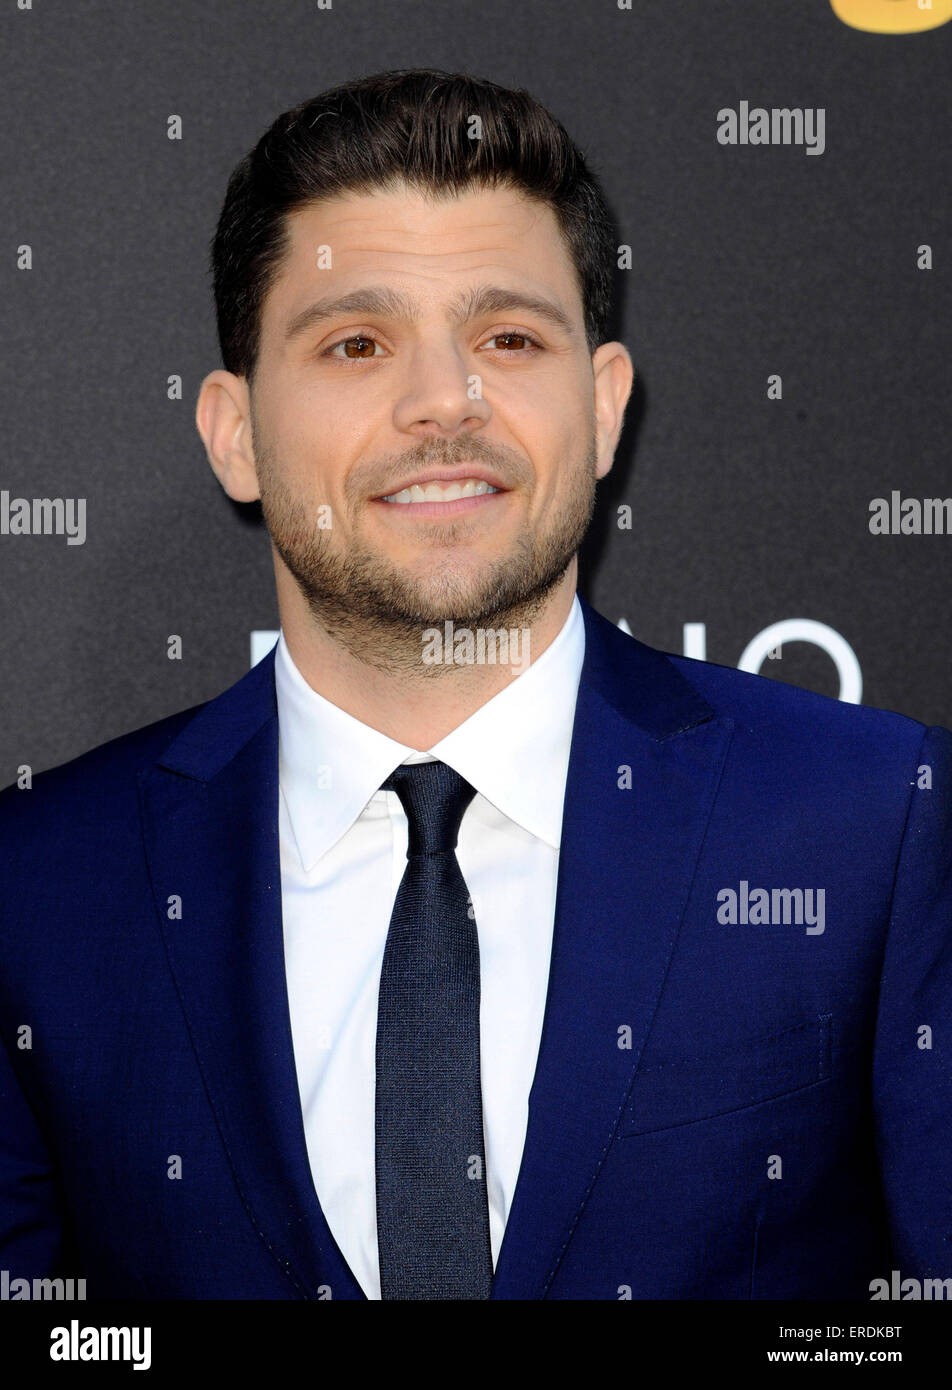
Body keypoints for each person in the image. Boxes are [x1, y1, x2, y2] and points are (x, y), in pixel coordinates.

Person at [1, 68, 949, 1302]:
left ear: (604, 409)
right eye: (355, 342)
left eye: (509, 337)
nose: (444, 401)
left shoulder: (875, 822)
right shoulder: (39, 885)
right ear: (235, 433)